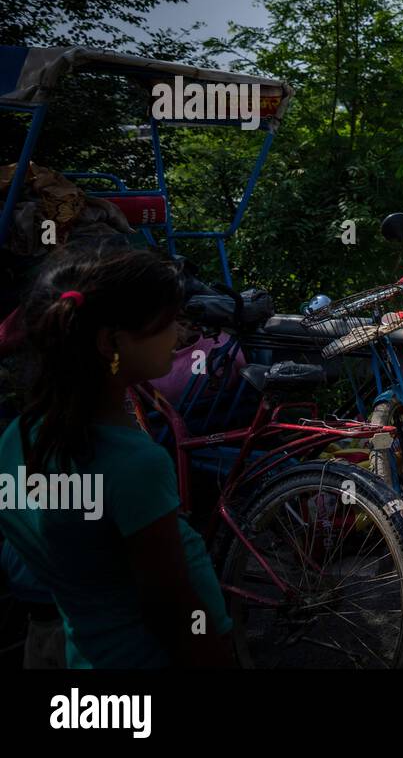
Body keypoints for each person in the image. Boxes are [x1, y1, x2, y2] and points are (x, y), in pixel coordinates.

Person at [0, 244, 234, 667]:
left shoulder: (16, 441)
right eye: (165, 323)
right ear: (111, 342)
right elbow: (174, 614)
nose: (179, 334)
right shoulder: (131, 466)